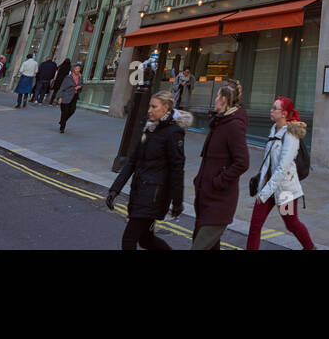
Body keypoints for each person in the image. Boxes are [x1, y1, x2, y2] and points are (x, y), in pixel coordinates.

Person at [106, 90, 190, 250]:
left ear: (165, 108)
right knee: (146, 240)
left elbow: (177, 170)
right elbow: (132, 161)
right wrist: (115, 190)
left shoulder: (173, 133)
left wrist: (177, 202)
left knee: (129, 239)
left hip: (153, 197)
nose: (149, 110)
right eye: (149, 106)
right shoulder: (151, 128)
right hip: (139, 191)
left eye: (154, 106)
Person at [245, 96, 315, 250]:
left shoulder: (290, 135)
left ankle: (310, 247)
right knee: (255, 224)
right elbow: (267, 162)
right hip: (267, 186)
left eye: (274, 108)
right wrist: (262, 187)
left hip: (285, 191)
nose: (271, 110)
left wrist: (265, 191)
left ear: (284, 113)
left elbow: (282, 168)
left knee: (291, 223)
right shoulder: (273, 129)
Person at [191, 78, 249, 250]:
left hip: (219, 202)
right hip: (205, 198)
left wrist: (218, 182)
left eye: (217, 96)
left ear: (224, 99)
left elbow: (243, 162)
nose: (215, 99)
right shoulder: (220, 122)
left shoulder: (233, 126)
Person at [56, 62, 82, 133]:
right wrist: (60, 97)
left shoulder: (80, 77)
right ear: (73, 69)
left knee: (72, 110)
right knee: (65, 112)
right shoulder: (68, 77)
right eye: (76, 69)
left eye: (79, 69)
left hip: (74, 96)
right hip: (66, 96)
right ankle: (62, 127)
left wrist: (79, 86)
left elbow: (81, 84)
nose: (77, 70)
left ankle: (62, 121)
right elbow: (62, 88)